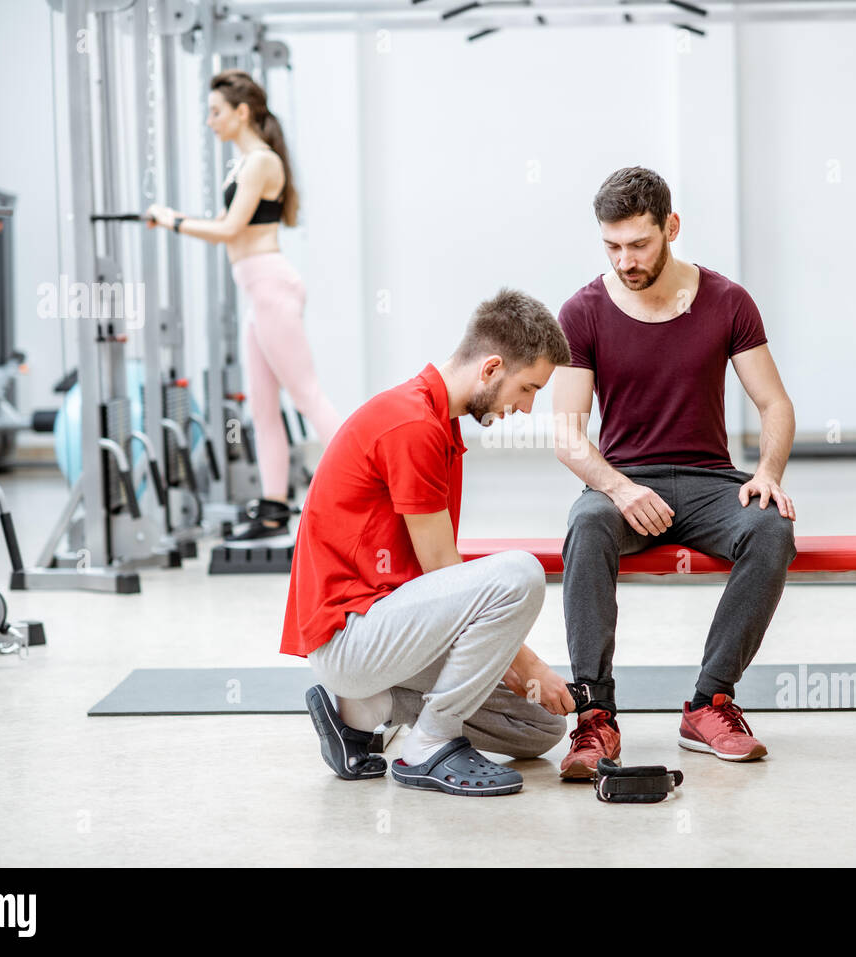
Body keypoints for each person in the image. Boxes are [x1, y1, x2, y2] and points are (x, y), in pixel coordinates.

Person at [552, 167, 798, 779]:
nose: (625, 260)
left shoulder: (727, 301)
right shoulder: (582, 311)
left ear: (671, 227)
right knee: (587, 524)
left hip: (711, 481)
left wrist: (768, 471)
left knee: (771, 528)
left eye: (639, 243)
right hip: (625, 480)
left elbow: (775, 404)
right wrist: (618, 487)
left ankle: (710, 701)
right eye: (612, 246)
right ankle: (595, 714)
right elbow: (566, 432)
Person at [283, 289, 577, 797]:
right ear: (490, 369)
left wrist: (518, 670)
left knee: (540, 728)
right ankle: (427, 747)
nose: (526, 408)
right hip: (351, 638)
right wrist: (529, 664)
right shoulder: (412, 423)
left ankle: (367, 709)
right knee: (521, 573)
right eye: (528, 389)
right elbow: (444, 571)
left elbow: (439, 588)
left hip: (390, 632)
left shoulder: (440, 423)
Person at [146, 69, 340, 540]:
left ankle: (369, 485)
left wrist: (171, 221)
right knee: (262, 406)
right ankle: (274, 506)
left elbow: (230, 231)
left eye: (216, 112)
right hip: (258, 289)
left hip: (271, 285)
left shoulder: (260, 162)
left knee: (307, 394)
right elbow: (221, 223)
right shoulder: (244, 164)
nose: (210, 121)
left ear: (241, 112)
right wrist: (178, 219)